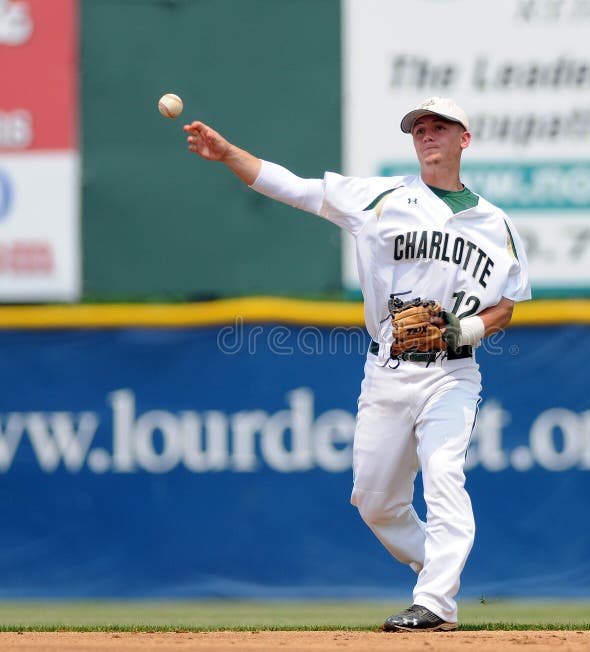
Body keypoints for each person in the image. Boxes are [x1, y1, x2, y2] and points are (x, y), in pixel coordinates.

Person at [183, 97, 531, 632]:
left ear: (464, 138)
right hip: (388, 370)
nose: (427, 134)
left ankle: (436, 601)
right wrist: (230, 154)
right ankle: (439, 569)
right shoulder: (381, 198)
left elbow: (506, 306)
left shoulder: (497, 224)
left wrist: (463, 330)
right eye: (419, 128)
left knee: (444, 475)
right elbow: (296, 189)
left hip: (453, 372)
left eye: (439, 126)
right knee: (374, 502)